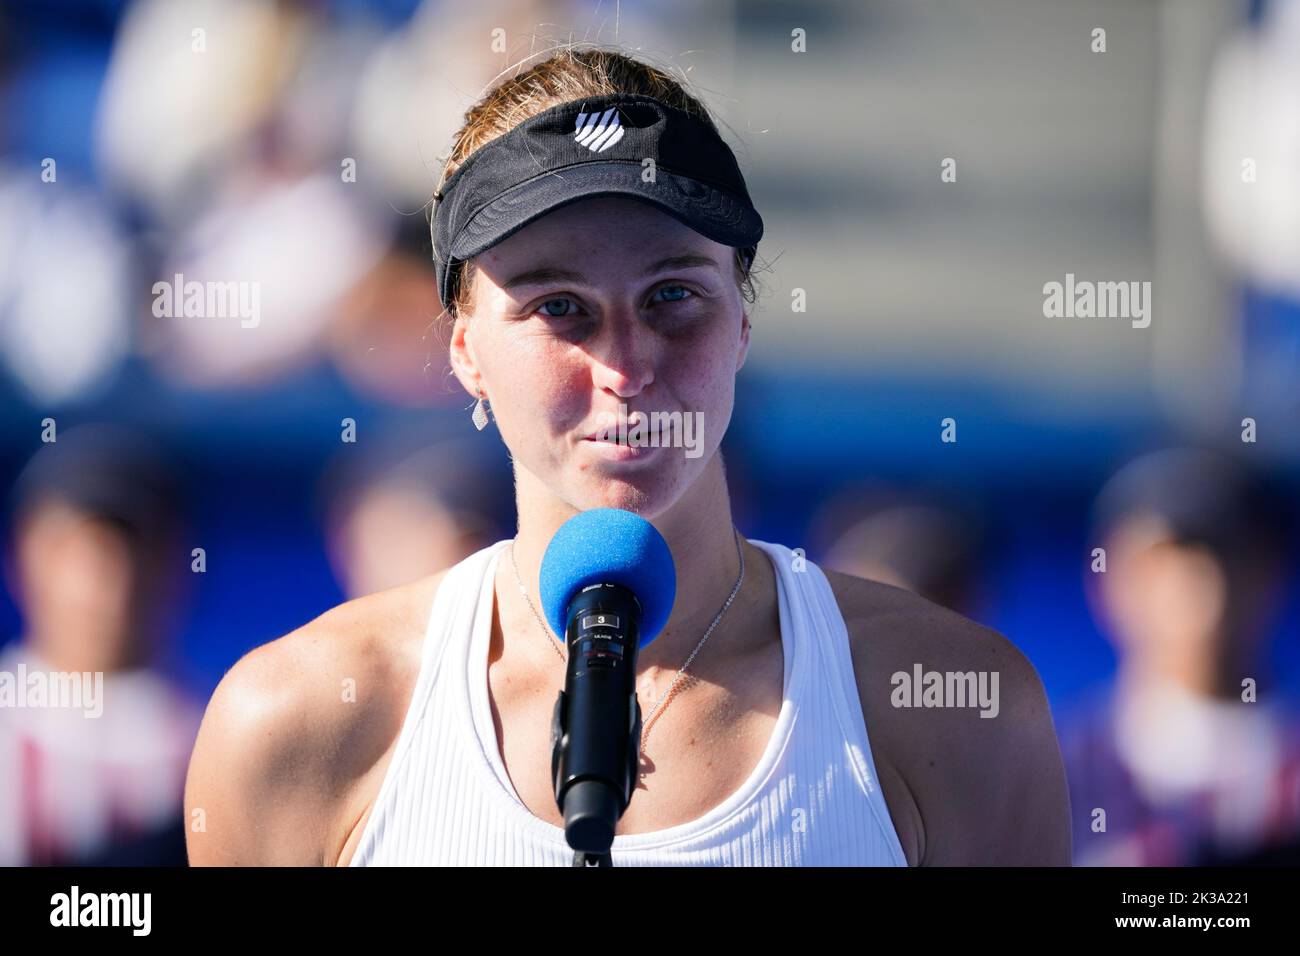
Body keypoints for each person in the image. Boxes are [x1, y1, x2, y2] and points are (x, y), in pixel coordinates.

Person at [185, 45, 1070, 866]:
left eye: (674, 294)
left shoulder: (959, 713)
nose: (626, 368)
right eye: (559, 306)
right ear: (464, 352)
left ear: (743, 323)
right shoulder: (295, 726)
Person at [1061, 447, 1300, 865]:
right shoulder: (1050, 775)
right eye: (1163, 560)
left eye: (1227, 553)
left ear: (1271, 572)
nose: (1198, 585)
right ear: (1105, 576)